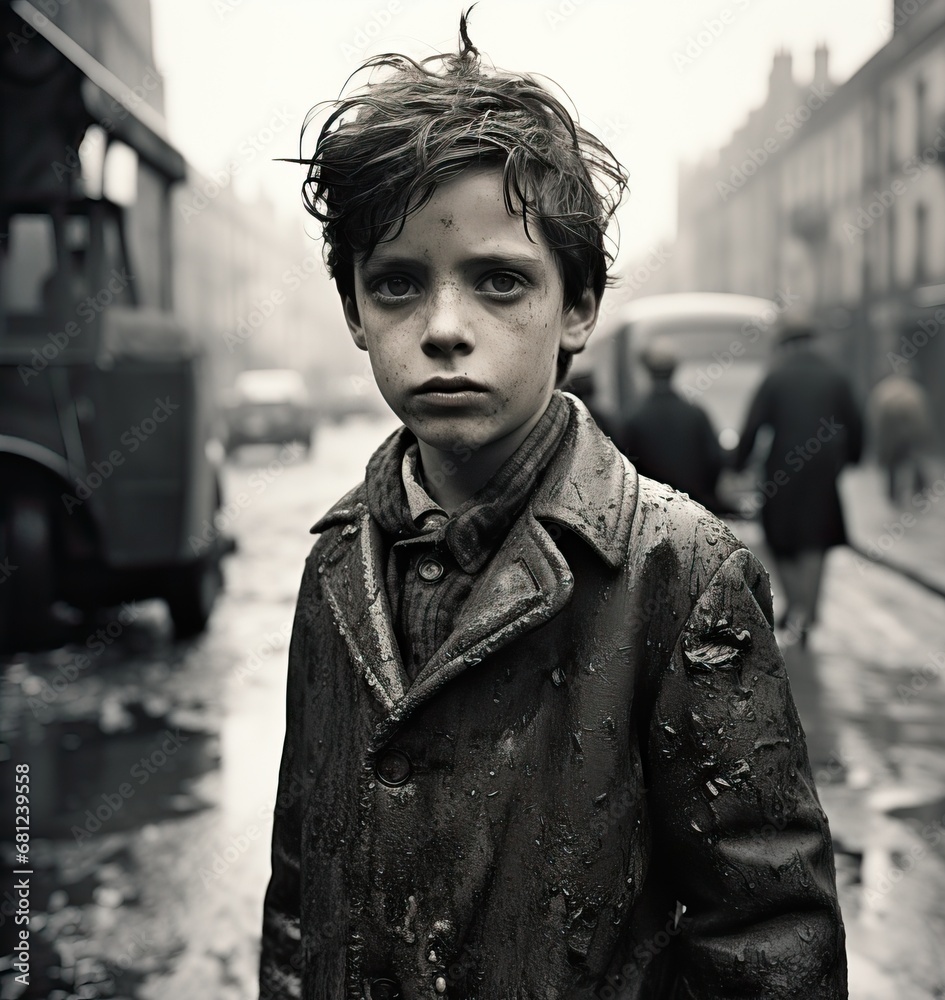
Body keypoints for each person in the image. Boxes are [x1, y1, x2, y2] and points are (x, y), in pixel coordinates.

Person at [260, 17, 847, 999]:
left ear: (577, 308)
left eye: (500, 281)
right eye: (397, 284)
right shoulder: (333, 566)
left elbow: (766, 941)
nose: (445, 329)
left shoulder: (678, 574)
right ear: (354, 311)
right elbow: (298, 891)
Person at [735, 317, 863, 644]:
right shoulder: (835, 377)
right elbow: (856, 423)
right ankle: (808, 610)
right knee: (815, 540)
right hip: (823, 471)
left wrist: (737, 463)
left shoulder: (775, 379)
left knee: (780, 539)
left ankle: (797, 602)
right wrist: (851, 458)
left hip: (782, 470)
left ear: (785, 345)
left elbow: (753, 426)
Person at [621, 341, 725, 513]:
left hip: (653, 512)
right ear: (675, 370)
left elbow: (626, 471)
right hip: (695, 509)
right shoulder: (696, 414)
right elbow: (715, 460)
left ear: (647, 371)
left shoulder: (633, 419)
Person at [867, 361, 933, 506]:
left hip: (889, 433)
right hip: (910, 432)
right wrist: (923, 436)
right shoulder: (914, 390)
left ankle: (893, 495)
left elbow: (875, 415)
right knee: (916, 460)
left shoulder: (883, 389)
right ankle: (920, 492)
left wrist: (878, 439)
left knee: (891, 464)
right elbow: (922, 416)